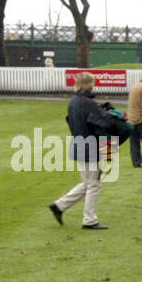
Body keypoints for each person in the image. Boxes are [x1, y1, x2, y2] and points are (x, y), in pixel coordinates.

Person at [48, 71, 119, 229]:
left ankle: (59, 206)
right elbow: (106, 123)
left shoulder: (74, 101)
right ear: (89, 85)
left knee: (89, 182)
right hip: (89, 146)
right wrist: (109, 113)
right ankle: (89, 219)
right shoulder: (88, 103)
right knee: (94, 184)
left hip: (78, 144)